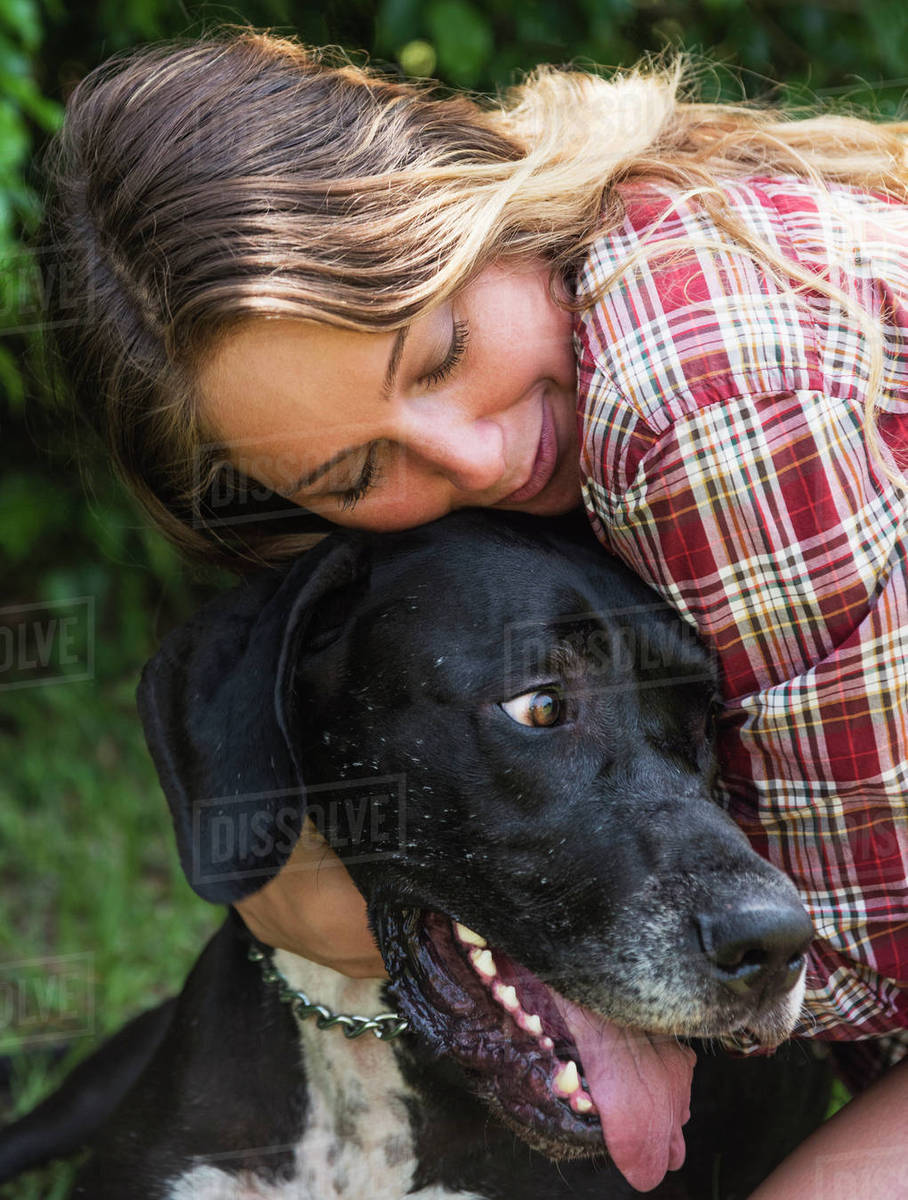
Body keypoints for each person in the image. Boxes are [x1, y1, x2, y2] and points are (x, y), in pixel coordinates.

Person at [40, 29, 908, 1196]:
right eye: (354, 479)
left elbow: (862, 946)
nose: (480, 458)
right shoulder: (599, 301)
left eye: (442, 350)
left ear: (466, 197)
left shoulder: (694, 401)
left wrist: (318, 905)